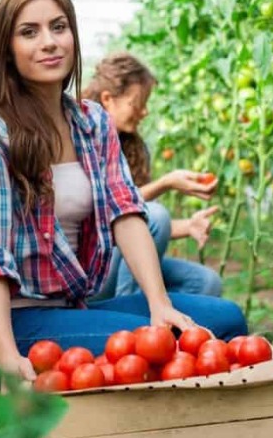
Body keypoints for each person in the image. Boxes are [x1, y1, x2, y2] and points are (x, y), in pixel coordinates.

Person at [0, 0, 248, 389]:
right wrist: (5, 357)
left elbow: (125, 212)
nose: (50, 42)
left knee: (225, 318)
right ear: (7, 49)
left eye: (59, 27)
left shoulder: (92, 122)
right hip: (13, 327)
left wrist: (160, 304)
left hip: (74, 309)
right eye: (29, 32)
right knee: (157, 350)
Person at [83, 53, 223, 299]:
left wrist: (188, 226)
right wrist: (166, 183)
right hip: (89, 265)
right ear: (108, 99)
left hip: (118, 257)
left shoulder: (135, 148)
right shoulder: (80, 139)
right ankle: (130, 318)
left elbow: (136, 223)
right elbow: (102, 211)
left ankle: (170, 334)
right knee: (156, 214)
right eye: (137, 103)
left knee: (205, 282)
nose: (145, 111)